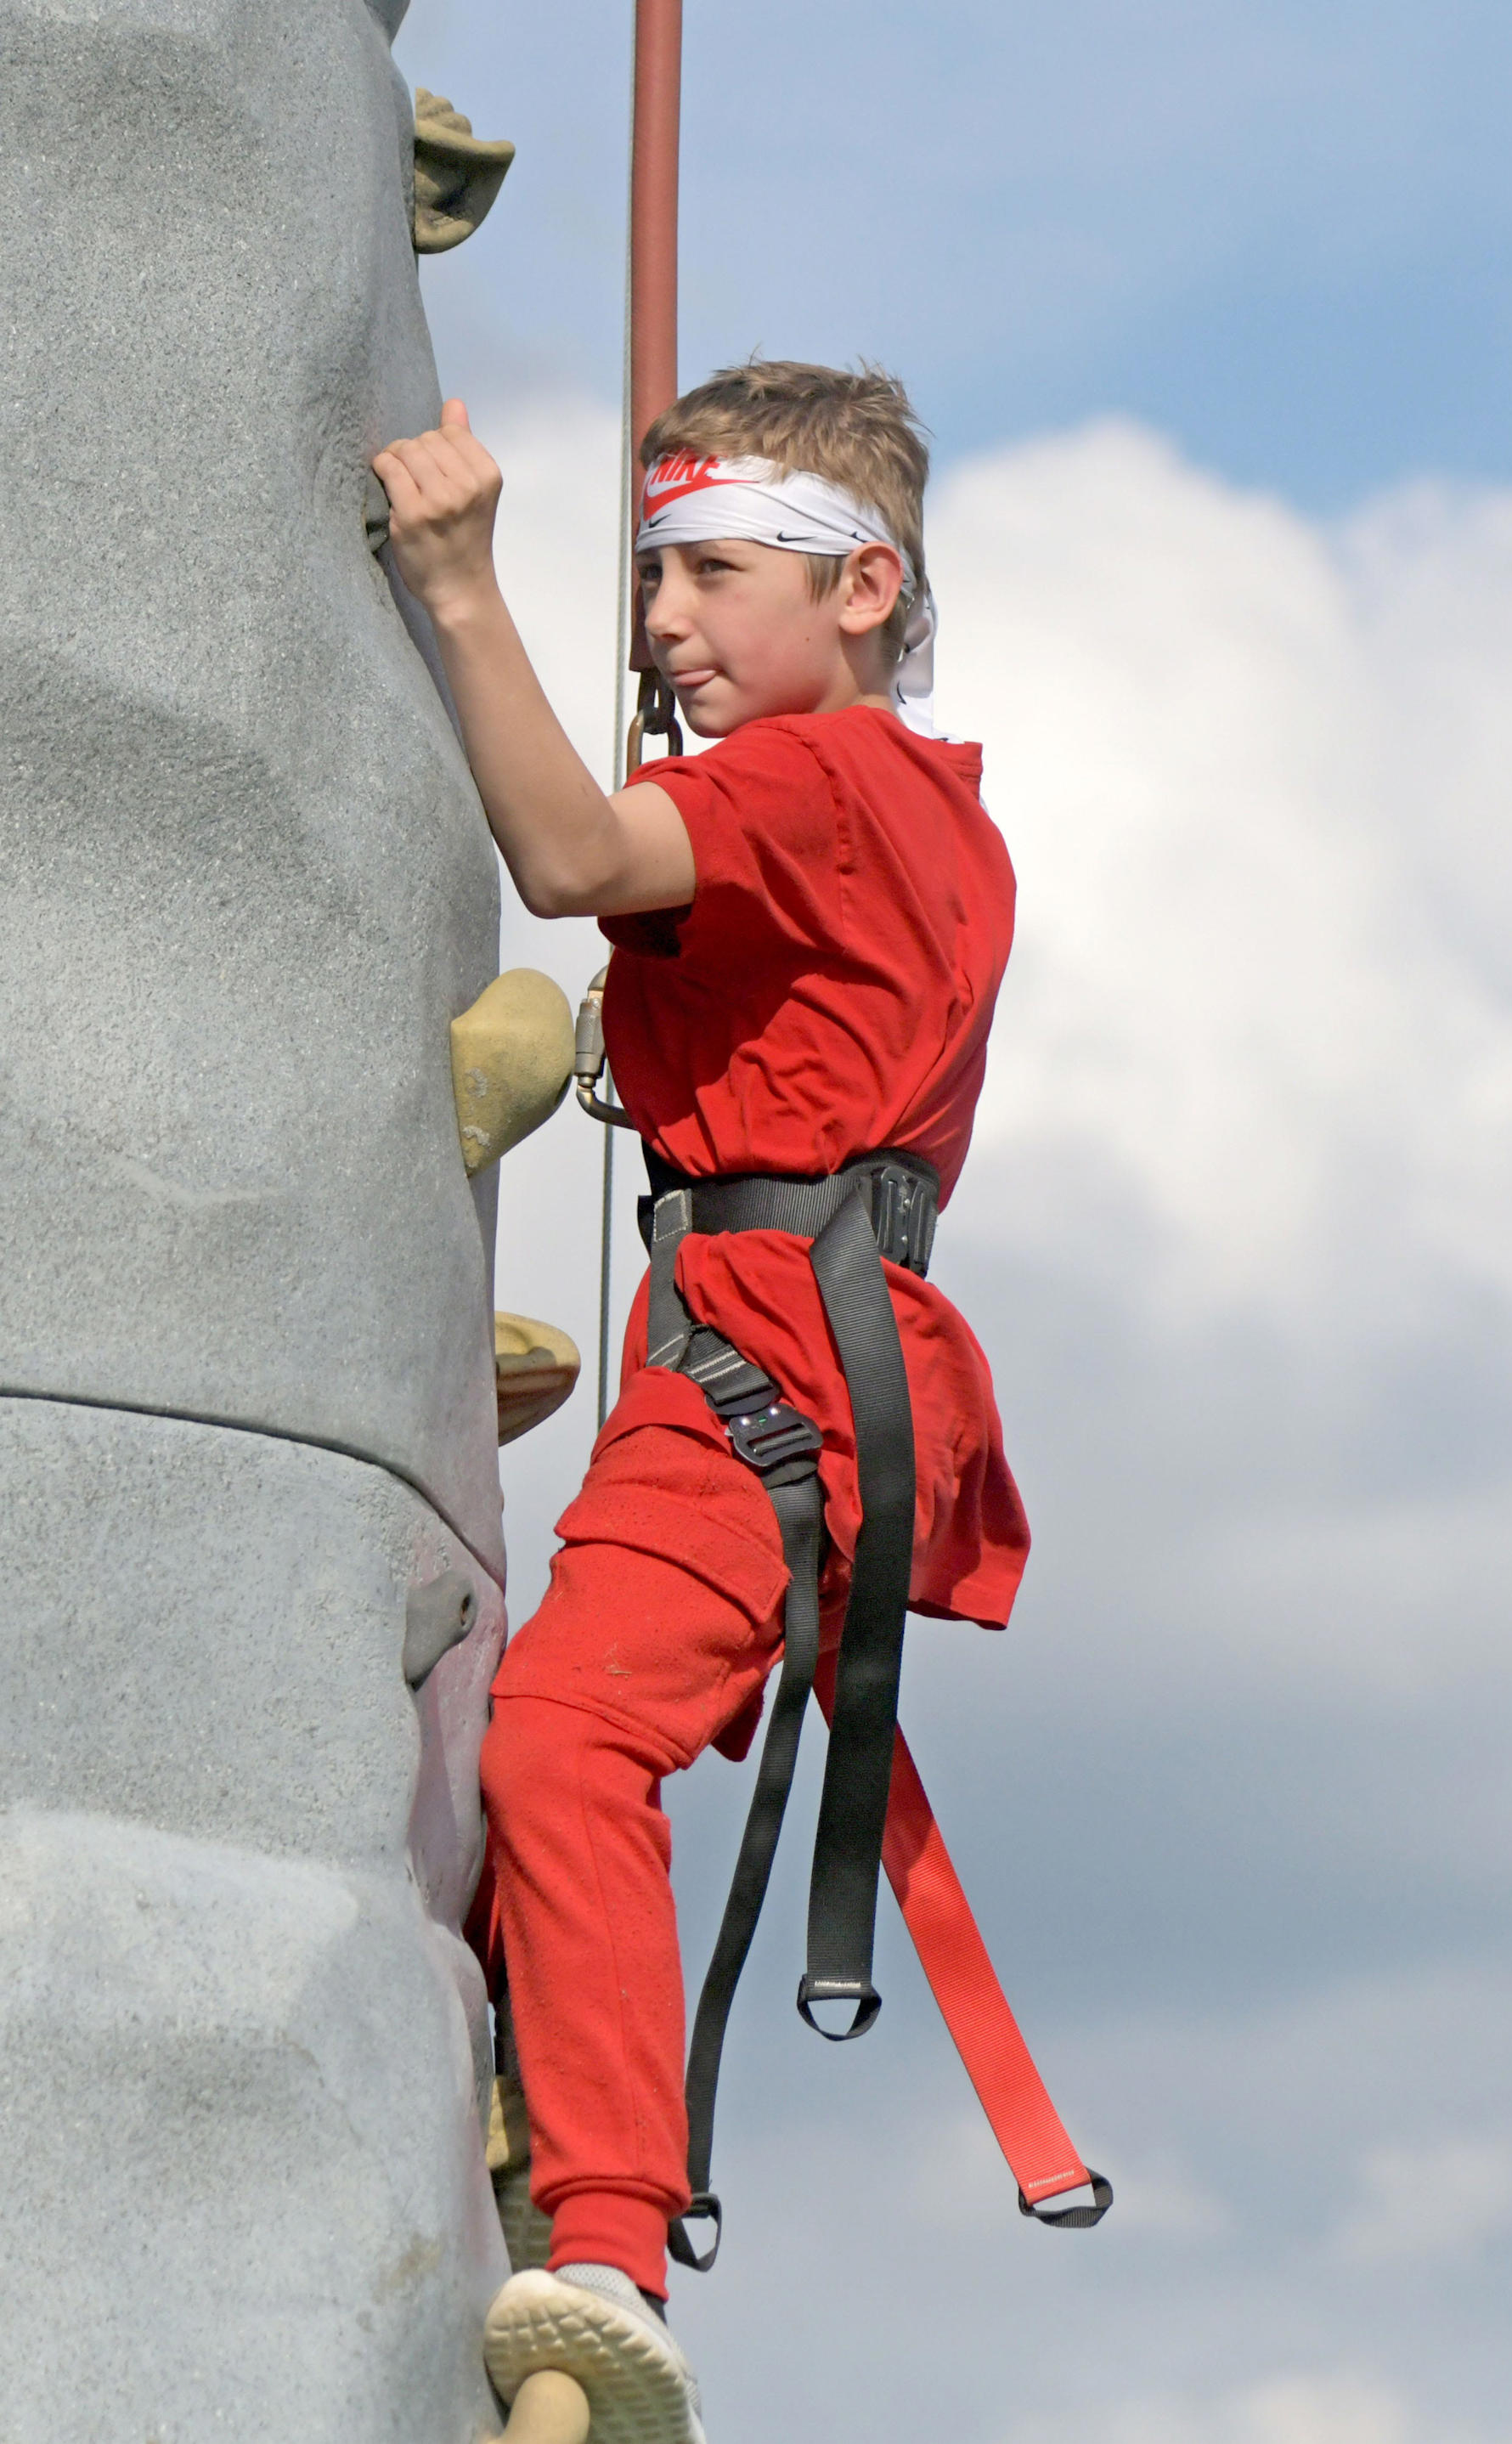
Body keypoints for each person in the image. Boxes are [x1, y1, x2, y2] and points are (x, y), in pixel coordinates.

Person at [375, 359, 1031, 2442]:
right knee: (559, 1733)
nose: (659, 619)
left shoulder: (810, 784)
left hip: (766, 1343)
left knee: (562, 1736)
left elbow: (571, 851)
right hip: (797, 1341)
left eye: (711, 571)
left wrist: (463, 589)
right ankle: (564, 2127)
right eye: (646, 572)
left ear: (862, 591)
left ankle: (606, 2235)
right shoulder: (927, 807)